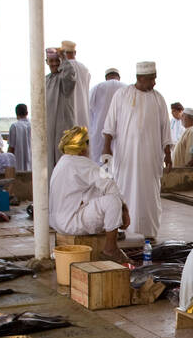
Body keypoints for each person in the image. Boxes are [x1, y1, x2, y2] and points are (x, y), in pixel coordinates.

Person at [101, 60, 172, 239]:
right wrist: (106, 147)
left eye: (155, 79)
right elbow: (110, 125)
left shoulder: (158, 98)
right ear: (140, 78)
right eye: (151, 79)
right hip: (126, 157)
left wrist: (168, 154)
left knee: (150, 194)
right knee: (124, 190)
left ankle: (149, 233)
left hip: (151, 158)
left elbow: (165, 128)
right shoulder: (121, 95)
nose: (154, 83)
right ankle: (124, 230)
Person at [49, 125, 129, 261]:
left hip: (57, 223)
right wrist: (124, 210)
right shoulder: (81, 162)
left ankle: (110, 230)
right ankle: (111, 249)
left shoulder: (62, 162)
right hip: (71, 223)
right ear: (83, 147)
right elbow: (109, 183)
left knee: (96, 190)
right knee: (113, 201)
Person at [45, 47, 77, 174]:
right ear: (46, 61)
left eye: (56, 61)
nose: (54, 64)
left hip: (62, 131)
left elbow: (69, 75)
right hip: (48, 133)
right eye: (50, 61)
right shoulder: (45, 80)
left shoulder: (65, 79)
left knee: (64, 167)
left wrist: (64, 58)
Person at [88, 67, 122, 164]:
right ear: (118, 77)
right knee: (120, 170)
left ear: (106, 77)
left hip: (99, 138)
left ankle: (105, 177)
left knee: (103, 171)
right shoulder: (126, 88)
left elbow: (89, 113)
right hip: (121, 137)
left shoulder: (96, 88)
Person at [60, 39, 91, 125]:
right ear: (75, 53)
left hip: (68, 114)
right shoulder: (84, 68)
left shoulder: (64, 67)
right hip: (83, 113)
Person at [8, 104, 32, 172]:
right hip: (33, 164)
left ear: (16, 114)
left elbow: (11, 148)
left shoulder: (14, 126)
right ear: (27, 113)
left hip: (18, 164)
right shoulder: (34, 125)